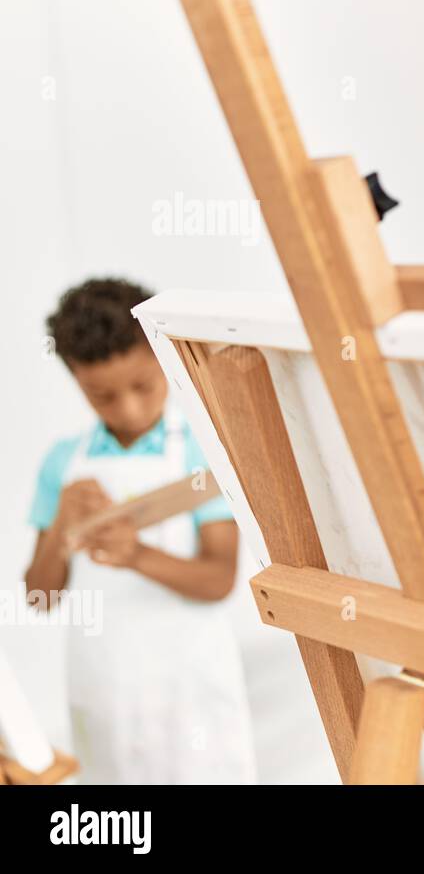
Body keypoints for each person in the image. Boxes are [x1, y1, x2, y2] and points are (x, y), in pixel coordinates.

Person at [25, 277, 256, 783]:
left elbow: (218, 580)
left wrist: (135, 555)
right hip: (102, 688)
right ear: (75, 379)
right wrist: (62, 525)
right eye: (102, 396)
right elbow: (40, 597)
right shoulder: (63, 465)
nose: (128, 409)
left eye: (144, 386)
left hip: (189, 689)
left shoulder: (201, 450)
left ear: (160, 357)